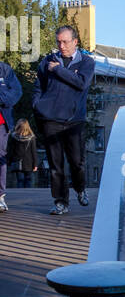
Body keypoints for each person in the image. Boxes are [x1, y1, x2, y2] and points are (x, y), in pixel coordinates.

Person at [33, 25, 95, 215]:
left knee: (77, 162)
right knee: (55, 165)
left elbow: (82, 83)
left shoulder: (86, 62)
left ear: (75, 42)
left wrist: (59, 70)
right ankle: (60, 202)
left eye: (65, 41)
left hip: (74, 120)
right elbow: (38, 88)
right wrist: (37, 105)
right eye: (58, 41)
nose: (61, 46)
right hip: (50, 119)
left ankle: (80, 188)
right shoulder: (47, 62)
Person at [0, 58, 23, 213]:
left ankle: (0, 196)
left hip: (1, 123)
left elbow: (15, 93)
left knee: (0, 157)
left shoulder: (5, 70)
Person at [9, 118, 38, 187]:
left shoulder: (14, 137)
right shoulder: (32, 138)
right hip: (29, 163)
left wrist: (9, 161)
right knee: (28, 180)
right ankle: (27, 195)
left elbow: (11, 150)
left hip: (17, 162)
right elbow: (33, 152)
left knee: (20, 180)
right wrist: (35, 164)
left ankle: (20, 195)